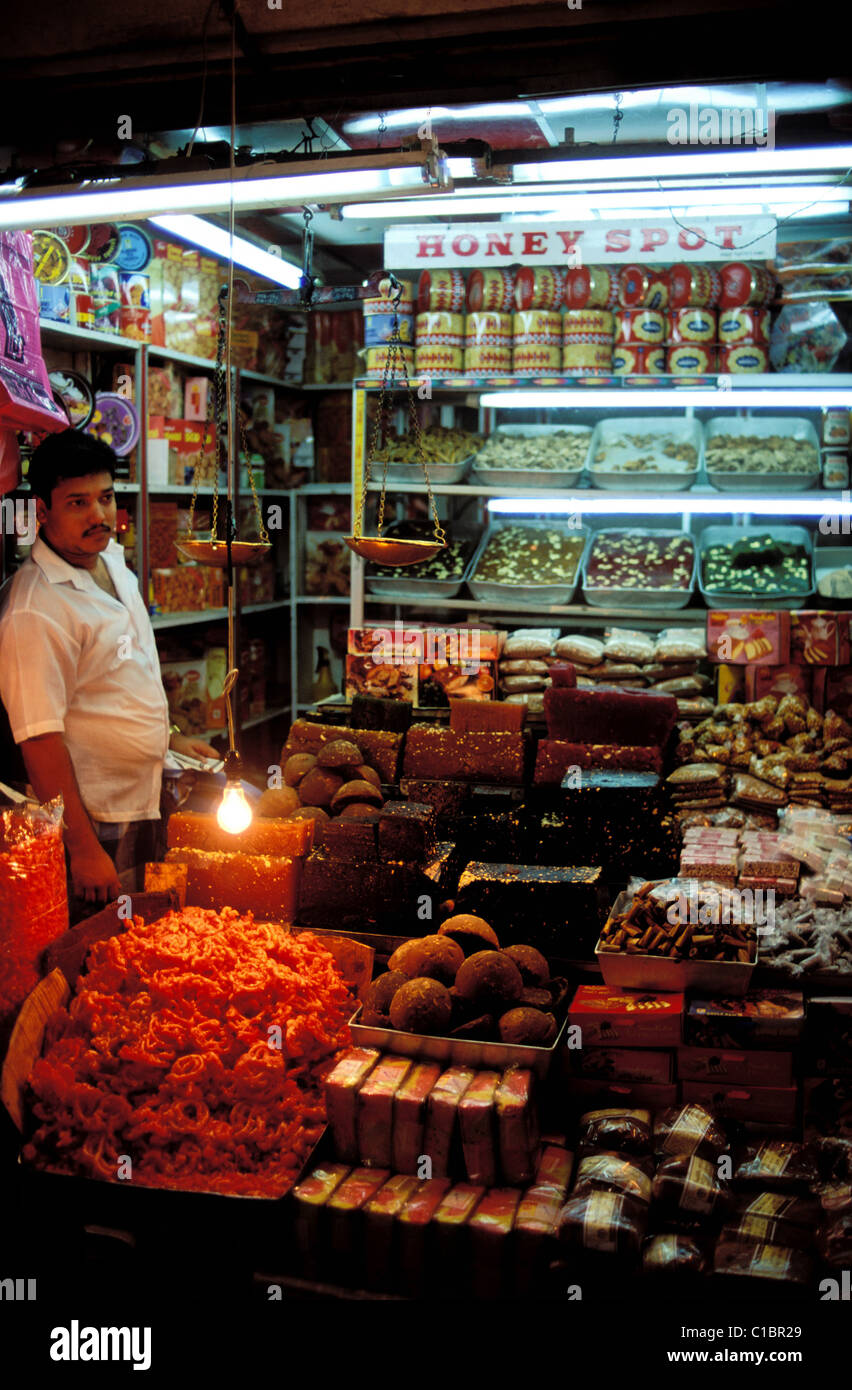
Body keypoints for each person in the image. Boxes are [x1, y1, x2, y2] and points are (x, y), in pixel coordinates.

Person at [0, 429, 219, 907]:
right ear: (41, 511)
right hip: (93, 820)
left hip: (140, 799)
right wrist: (81, 850)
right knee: (99, 953)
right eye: (77, 503)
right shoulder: (35, 608)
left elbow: (120, 679)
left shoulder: (110, 562)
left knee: (142, 942)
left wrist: (170, 738)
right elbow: (38, 737)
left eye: (105, 498)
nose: (99, 516)